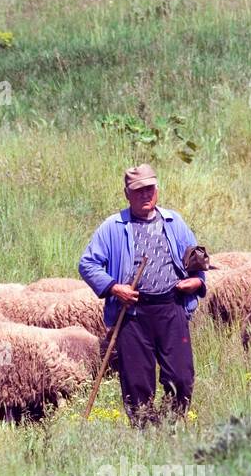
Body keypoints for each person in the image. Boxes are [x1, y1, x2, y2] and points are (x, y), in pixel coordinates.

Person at [77, 164, 206, 425]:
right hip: (133, 314)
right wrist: (114, 287)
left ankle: (170, 427)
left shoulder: (173, 222)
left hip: (171, 309)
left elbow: (196, 261)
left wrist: (196, 282)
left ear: (156, 190)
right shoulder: (113, 226)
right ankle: (146, 434)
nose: (145, 195)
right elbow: (87, 264)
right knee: (137, 384)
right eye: (138, 191)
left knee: (181, 377)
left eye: (149, 189)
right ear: (127, 194)